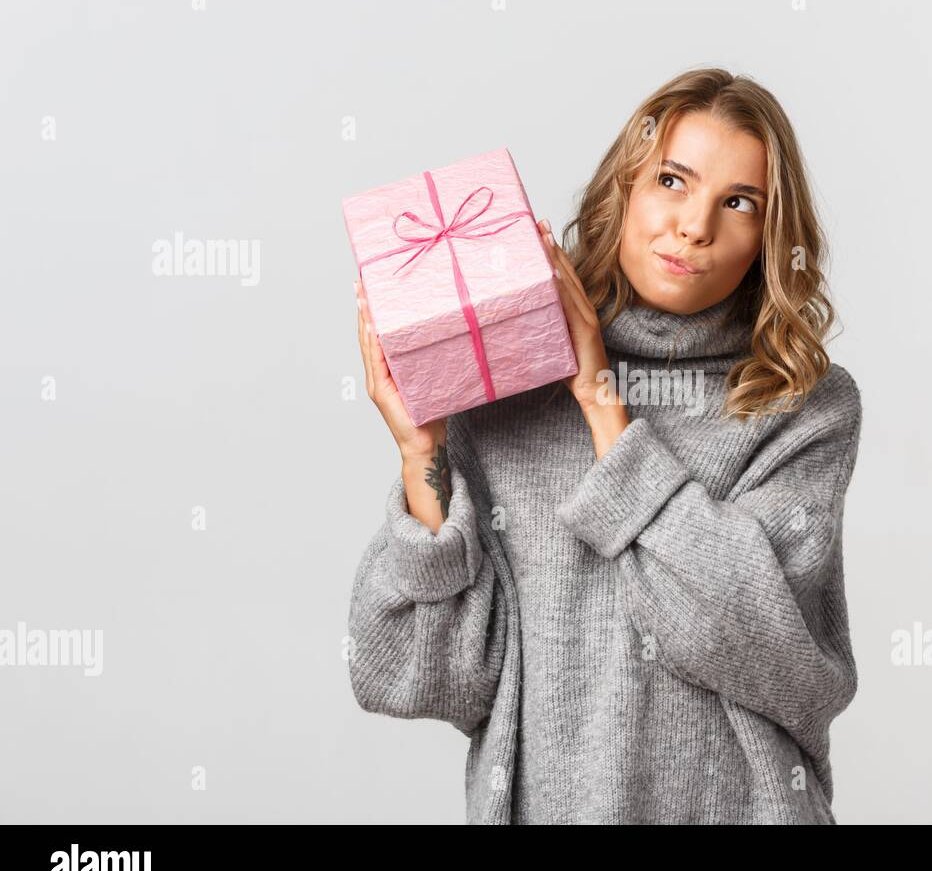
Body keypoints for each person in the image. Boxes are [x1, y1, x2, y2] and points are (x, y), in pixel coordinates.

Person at [349, 67, 863, 823]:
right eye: (671, 181)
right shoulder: (509, 386)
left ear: (769, 238)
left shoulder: (803, 405)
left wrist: (600, 404)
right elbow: (419, 679)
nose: (694, 226)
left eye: (739, 203)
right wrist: (422, 453)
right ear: (623, 189)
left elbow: (773, 656)